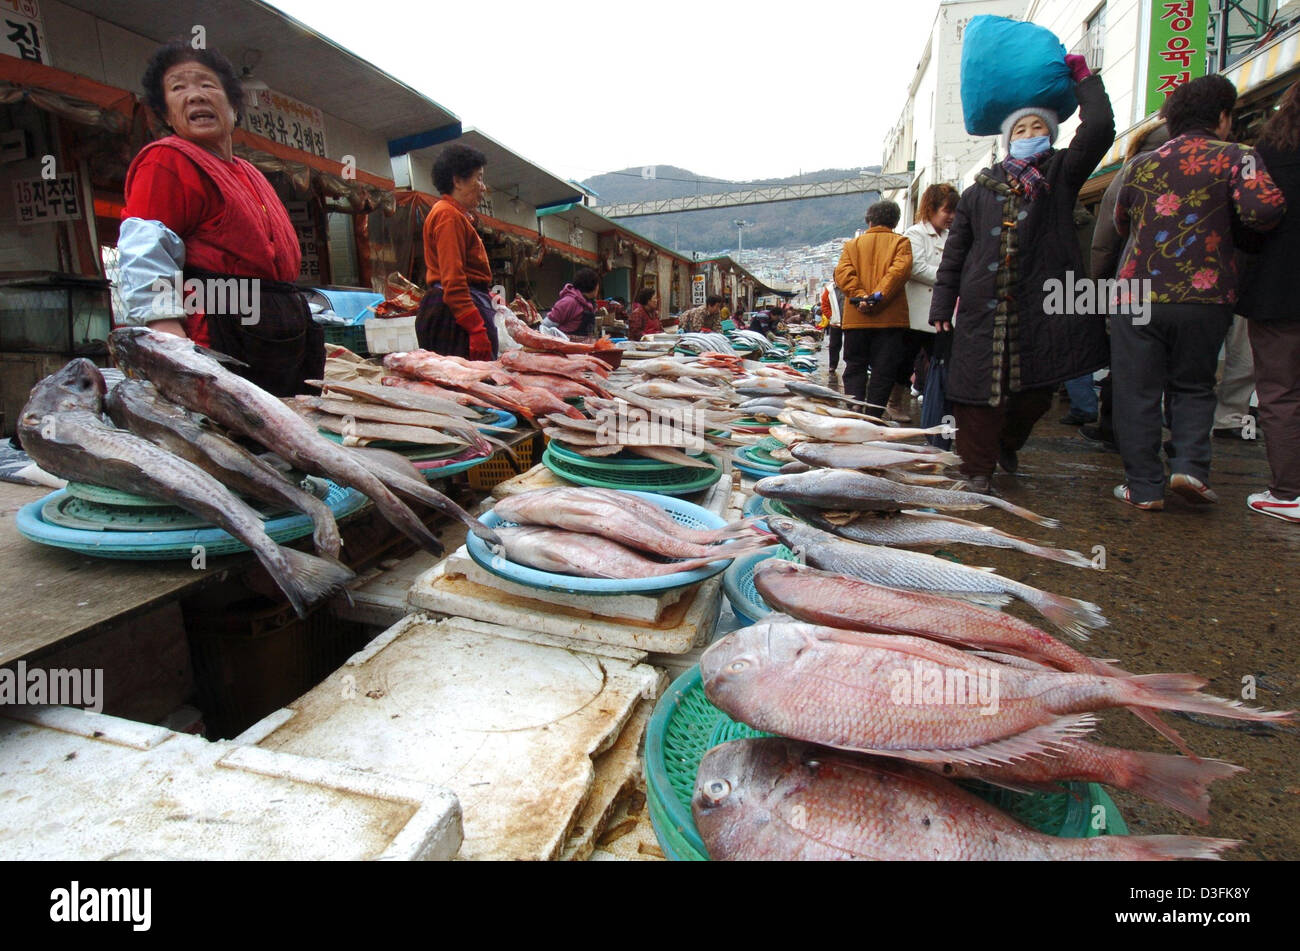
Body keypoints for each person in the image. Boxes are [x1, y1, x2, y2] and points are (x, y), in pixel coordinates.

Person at [929, 55, 1113, 494]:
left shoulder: (1060, 175)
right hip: (982, 309)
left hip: (1041, 308)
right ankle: (976, 469)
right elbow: (955, 253)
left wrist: (1085, 81)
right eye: (1020, 130)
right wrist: (941, 305)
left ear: (1051, 134)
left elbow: (1100, 129)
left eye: (1038, 129)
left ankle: (1007, 443)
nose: (1029, 136)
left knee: (1035, 393)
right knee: (977, 393)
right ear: (1007, 139)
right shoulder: (977, 193)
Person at [1112, 74, 1285, 510]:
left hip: (1137, 295)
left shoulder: (1141, 163)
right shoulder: (1238, 157)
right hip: (1204, 296)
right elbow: (1264, 210)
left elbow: (1119, 221)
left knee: (1137, 391)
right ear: (1223, 117)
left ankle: (1144, 487)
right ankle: (1189, 467)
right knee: (1194, 385)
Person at [116, 41, 320, 396]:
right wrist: (168, 335)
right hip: (222, 331)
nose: (194, 96)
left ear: (233, 107)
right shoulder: (166, 160)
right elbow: (146, 247)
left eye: (207, 84)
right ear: (166, 114)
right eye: (178, 88)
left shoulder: (250, 172)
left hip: (277, 329)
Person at [1082, 119, 1172, 449]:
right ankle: (1186, 460)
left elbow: (1105, 237)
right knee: (1187, 380)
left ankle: (1126, 447)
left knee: (1130, 368)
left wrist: (1098, 289)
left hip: (1133, 285)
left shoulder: (1134, 168)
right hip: (1198, 290)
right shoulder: (1222, 162)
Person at [1237, 80, 1300, 522]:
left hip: (1278, 289)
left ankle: (1290, 493)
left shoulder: (1266, 156)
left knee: (1280, 393)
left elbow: (1248, 223)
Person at [415, 144, 497, 361]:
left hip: (455, 309)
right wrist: (476, 329)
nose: (483, 187)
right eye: (478, 178)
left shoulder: (456, 215)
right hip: (452, 316)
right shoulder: (448, 215)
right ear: (457, 181)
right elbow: (453, 280)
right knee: (466, 387)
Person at [834, 200, 913, 412]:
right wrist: (877, 297)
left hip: (856, 319)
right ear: (895, 222)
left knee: (855, 366)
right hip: (890, 319)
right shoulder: (901, 243)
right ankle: (874, 415)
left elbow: (843, 274)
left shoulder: (852, 246)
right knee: (884, 370)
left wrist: (861, 297)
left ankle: (854, 409)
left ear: (869, 221)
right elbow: (898, 273)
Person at [900, 183, 960, 421]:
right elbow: (915, 268)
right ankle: (895, 403)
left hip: (943, 314)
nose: (951, 216)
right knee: (903, 364)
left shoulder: (953, 236)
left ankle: (939, 411)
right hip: (916, 314)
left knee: (943, 365)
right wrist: (949, 277)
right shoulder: (915, 234)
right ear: (931, 208)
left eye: (954, 211)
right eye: (947, 210)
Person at [547, 267, 600, 338]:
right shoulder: (568, 302)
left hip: (584, 346)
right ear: (594, 286)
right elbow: (545, 327)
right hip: (565, 346)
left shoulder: (590, 303)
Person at [819, 282, 844, 374]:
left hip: (849, 321)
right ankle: (832, 365)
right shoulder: (829, 290)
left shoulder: (850, 286)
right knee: (834, 345)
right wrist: (832, 317)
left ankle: (851, 365)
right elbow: (825, 306)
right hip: (835, 322)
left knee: (851, 344)